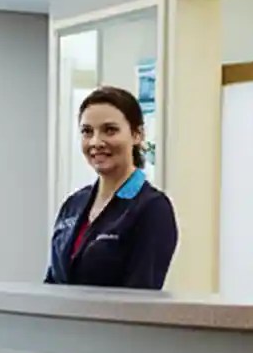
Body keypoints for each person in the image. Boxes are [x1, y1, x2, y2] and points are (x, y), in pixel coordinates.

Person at [45, 86, 178, 289]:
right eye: (87, 132)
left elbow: (141, 297)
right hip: (64, 321)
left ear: (137, 135)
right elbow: (52, 282)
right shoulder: (73, 204)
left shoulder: (152, 208)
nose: (96, 142)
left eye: (110, 130)